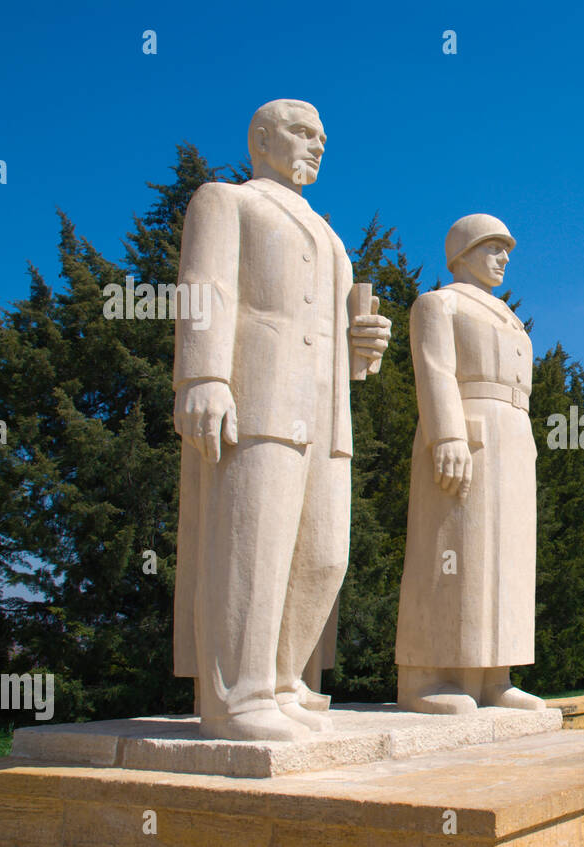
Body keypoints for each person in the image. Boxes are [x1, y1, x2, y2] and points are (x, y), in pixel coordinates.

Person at [172, 100, 390, 741]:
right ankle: (238, 699)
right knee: (251, 547)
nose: (318, 145)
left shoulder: (330, 237)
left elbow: (332, 338)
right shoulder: (225, 201)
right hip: (255, 397)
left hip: (324, 413)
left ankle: (283, 679)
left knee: (323, 555)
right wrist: (203, 376)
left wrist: (362, 347)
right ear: (261, 139)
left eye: (323, 136)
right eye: (303, 133)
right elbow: (202, 288)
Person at [395, 214, 545, 715]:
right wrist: (447, 434)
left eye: (506, 250)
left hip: (513, 437)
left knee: (506, 562)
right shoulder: (439, 304)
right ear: (461, 252)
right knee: (452, 548)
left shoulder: (510, 318)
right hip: (466, 429)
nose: (503, 258)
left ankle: (493, 675)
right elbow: (434, 371)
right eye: (492, 248)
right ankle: (425, 674)